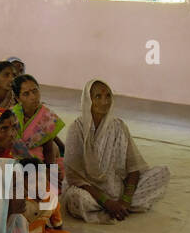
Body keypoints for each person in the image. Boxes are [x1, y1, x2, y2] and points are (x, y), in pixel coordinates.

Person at [61, 79, 171, 224]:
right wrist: (106, 202)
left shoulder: (119, 126)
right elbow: (74, 176)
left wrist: (125, 200)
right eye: (98, 97)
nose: (104, 101)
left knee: (162, 173)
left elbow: (133, 167)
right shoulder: (77, 128)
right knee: (78, 200)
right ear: (88, 100)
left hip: (117, 188)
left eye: (108, 96)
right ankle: (113, 208)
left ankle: (121, 208)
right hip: (89, 192)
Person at [12, 74, 65, 168]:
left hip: (38, 164)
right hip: (13, 162)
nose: (33, 97)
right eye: (26, 94)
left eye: (35, 91)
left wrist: (49, 173)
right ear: (18, 98)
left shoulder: (47, 117)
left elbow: (48, 150)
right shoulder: (12, 115)